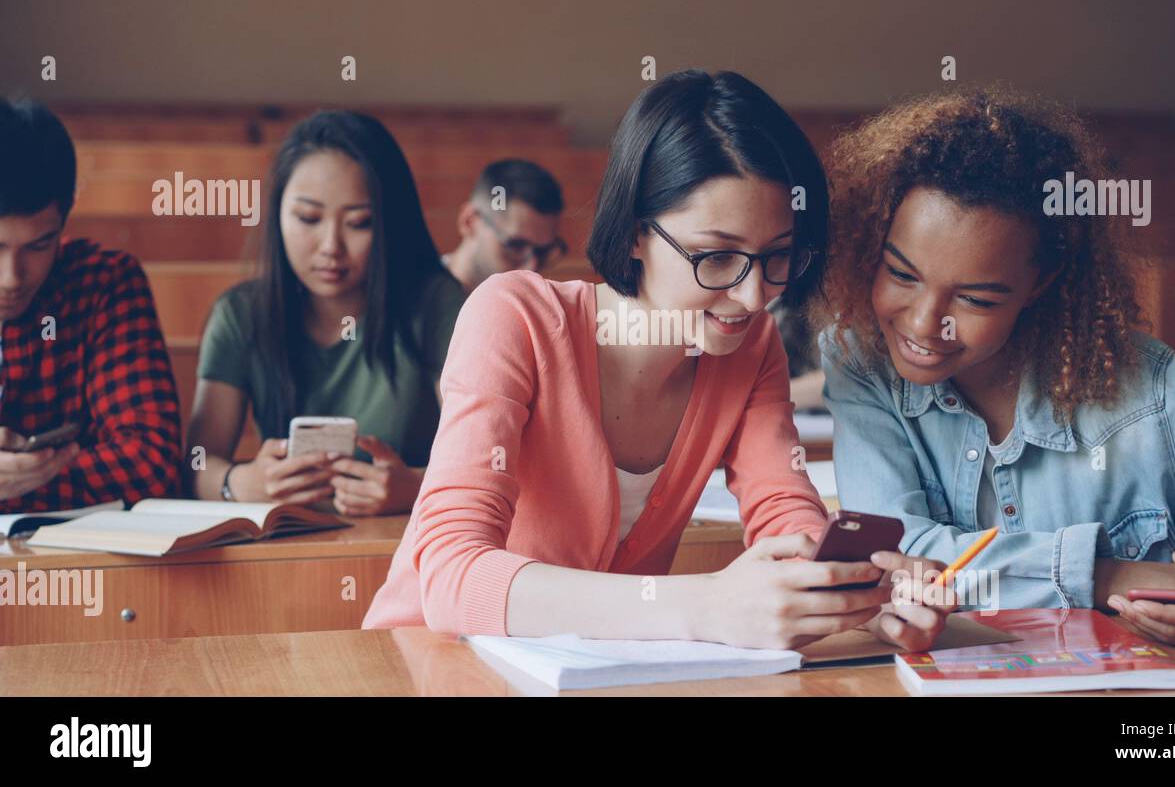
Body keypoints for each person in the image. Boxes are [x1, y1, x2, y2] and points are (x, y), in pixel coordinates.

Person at [365, 71, 953, 649]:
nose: (753, 297)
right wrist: (704, 606)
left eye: (779, 256)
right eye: (716, 257)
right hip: (428, 663)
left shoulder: (750, 347)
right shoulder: (514, 316)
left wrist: (851, 593)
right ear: (633, 235)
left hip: (591, 673)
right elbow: (451, 574)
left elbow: (784, 513)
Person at [816, 88, 1175, 646]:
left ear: (1039, 285)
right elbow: (896, 552)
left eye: (976, 299)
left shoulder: (1149, 392)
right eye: (902, 275)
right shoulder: (859, 358)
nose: (927, 325)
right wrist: (1107, 574)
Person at [187, 111, 465, 516]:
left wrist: (419, 488)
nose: (331, 245)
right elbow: (197, 464)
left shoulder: (435, 304)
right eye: (308, 218)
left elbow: (483, 459)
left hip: (406, 550)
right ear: (278, 212)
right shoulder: (241, 314)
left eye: (359, 223)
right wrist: (240, 483)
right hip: (285, 550)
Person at [0, 96, 181, 511]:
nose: (11, 277)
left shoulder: (104, 284)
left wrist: (15, 488)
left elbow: (151, 462)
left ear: (65, 220)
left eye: (39, 245)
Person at [441, 159, 566, 293]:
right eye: (516, 246)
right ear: (469, 222)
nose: (530, 270)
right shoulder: (419, 297)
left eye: (542, 252)